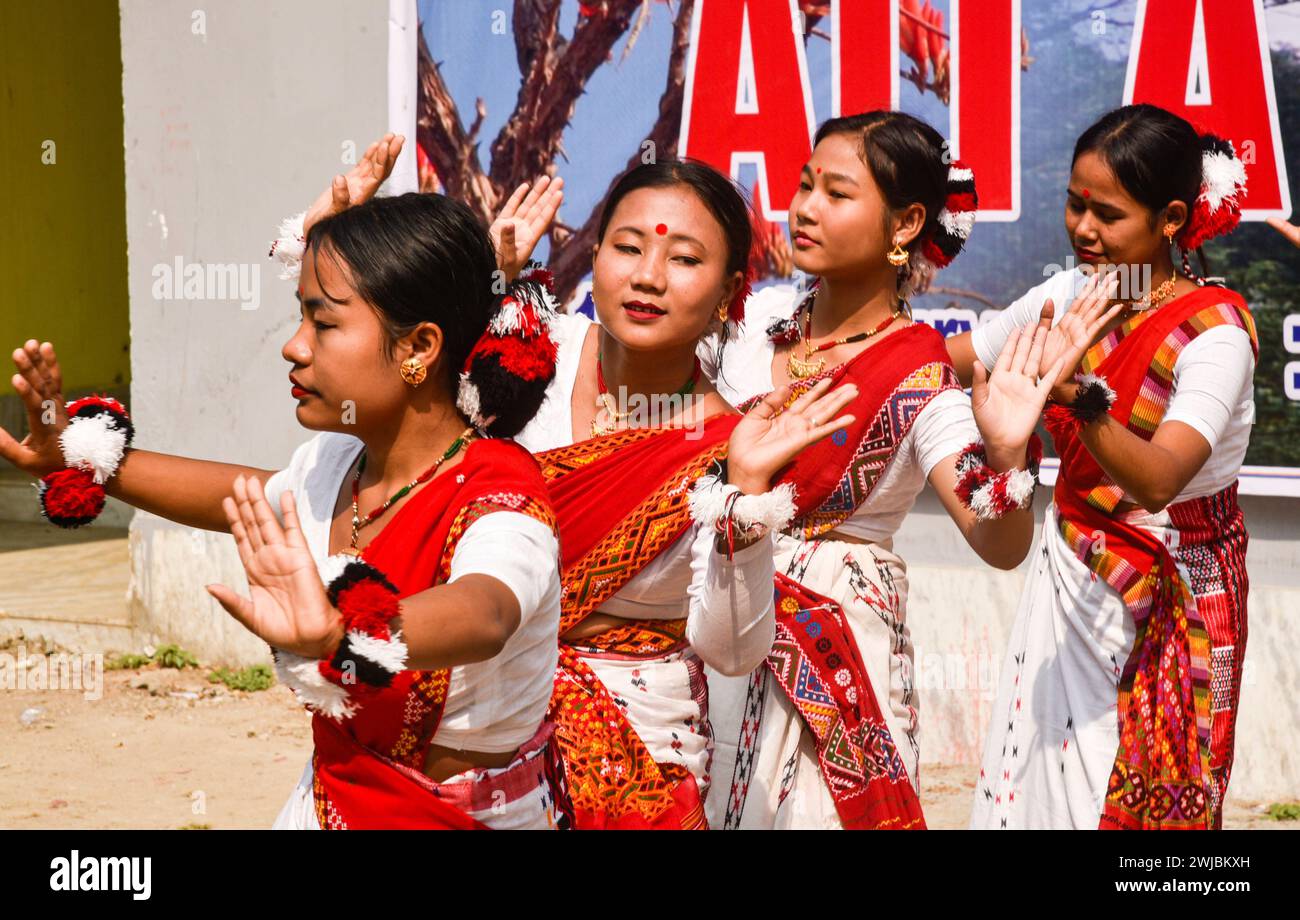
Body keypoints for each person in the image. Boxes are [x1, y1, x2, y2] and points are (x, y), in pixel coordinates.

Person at [3, 190, 567, 829]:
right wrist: (79, 457)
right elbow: (239, 496)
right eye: (302, 318)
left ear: (419, 347)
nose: (294, 347)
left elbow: (487, 610)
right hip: (330, 805)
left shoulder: (500, 489)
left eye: (324, 324)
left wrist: (345, 634)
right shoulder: (340, 464)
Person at [701, 111, 1060, 829]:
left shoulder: (917, 372)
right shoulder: (754, 326)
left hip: (839, 671)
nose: (803, 208)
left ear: (904, 225)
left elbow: (1000, 542)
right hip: (718, 629)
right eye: (804, 185)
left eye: (835, 193)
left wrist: (1008, 453)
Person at [947, 103, 1257, 830]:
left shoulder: (1217, 334)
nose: (1082, 229)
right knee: (1046, 789)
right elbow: (957, 361)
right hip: (1074, 573)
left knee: (1137, 792)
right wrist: (855, 354)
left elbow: (1156, 479)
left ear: (1171, 217)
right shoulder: (1070, 296)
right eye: (1074, 204)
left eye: (1107, 214)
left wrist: (1075, 398)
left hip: (1178, 589)